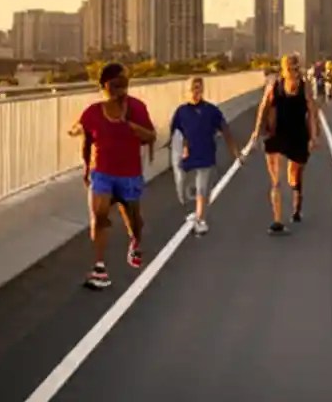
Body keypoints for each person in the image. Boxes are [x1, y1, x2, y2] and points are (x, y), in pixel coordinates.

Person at [68, 63, 156, 290]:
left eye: (124, 84)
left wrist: (135, 128)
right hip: (103, 173)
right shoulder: (92, 112)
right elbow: (86, 141)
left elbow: (151, 135)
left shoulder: (137, 107)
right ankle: (99, 267)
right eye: (116, 84)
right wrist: (87, 169)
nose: (121, 89)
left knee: (134, 220)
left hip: (129, 174)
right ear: (104, 86)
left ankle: (135, 241)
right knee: (99, 216)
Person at [248, 53, 318, 233]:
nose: (293, 71)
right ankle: (277, 221)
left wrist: (314, 136)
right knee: (276, 181)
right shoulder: (274, 86)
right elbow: (263, 107)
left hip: (298, 135)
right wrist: (256, 131)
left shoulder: (305, 87)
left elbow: (312, 112)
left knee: (294, 175)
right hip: (276, 134)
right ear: (283, 70)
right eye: (290, 68)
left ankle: (297, 203)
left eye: (296, 68)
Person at [165, 76, 242, 235]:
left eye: (198, 88)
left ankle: (201, 220)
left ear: (202, 90)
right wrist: (178, 149)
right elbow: (175, 134)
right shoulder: (181, 111)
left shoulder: (211, 110)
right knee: (182, 188)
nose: (196, 92)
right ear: (187, 91)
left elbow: (225, 130)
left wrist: (236, 153)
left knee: (202, 189)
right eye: (193, 89)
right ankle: (194, 212)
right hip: (187, 158)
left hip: (206, 155)